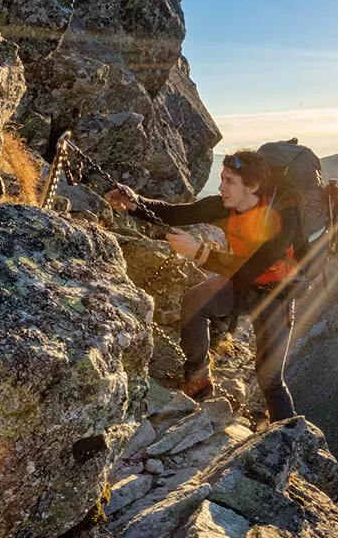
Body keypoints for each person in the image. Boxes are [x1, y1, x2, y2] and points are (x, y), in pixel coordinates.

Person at [105, 150, 298, 422]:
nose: (221, 187)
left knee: (269, 379)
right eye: (222, 179)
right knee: (196, 301)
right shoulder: (223, 206)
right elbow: (174, 214)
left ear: (252, 187)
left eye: (229, 181)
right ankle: (199, 381)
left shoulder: (282, 217)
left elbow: (253, 268)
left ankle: (289, 435)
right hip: (241, 288)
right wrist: (134, 201)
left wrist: (200, 253)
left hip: (275, 296)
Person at [324, 178, 338, 256]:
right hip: (336, 214)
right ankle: (335, 250)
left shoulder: (328, 190)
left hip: (331, 214)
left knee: (330, 231)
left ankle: (332, 249)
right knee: (336, 232)